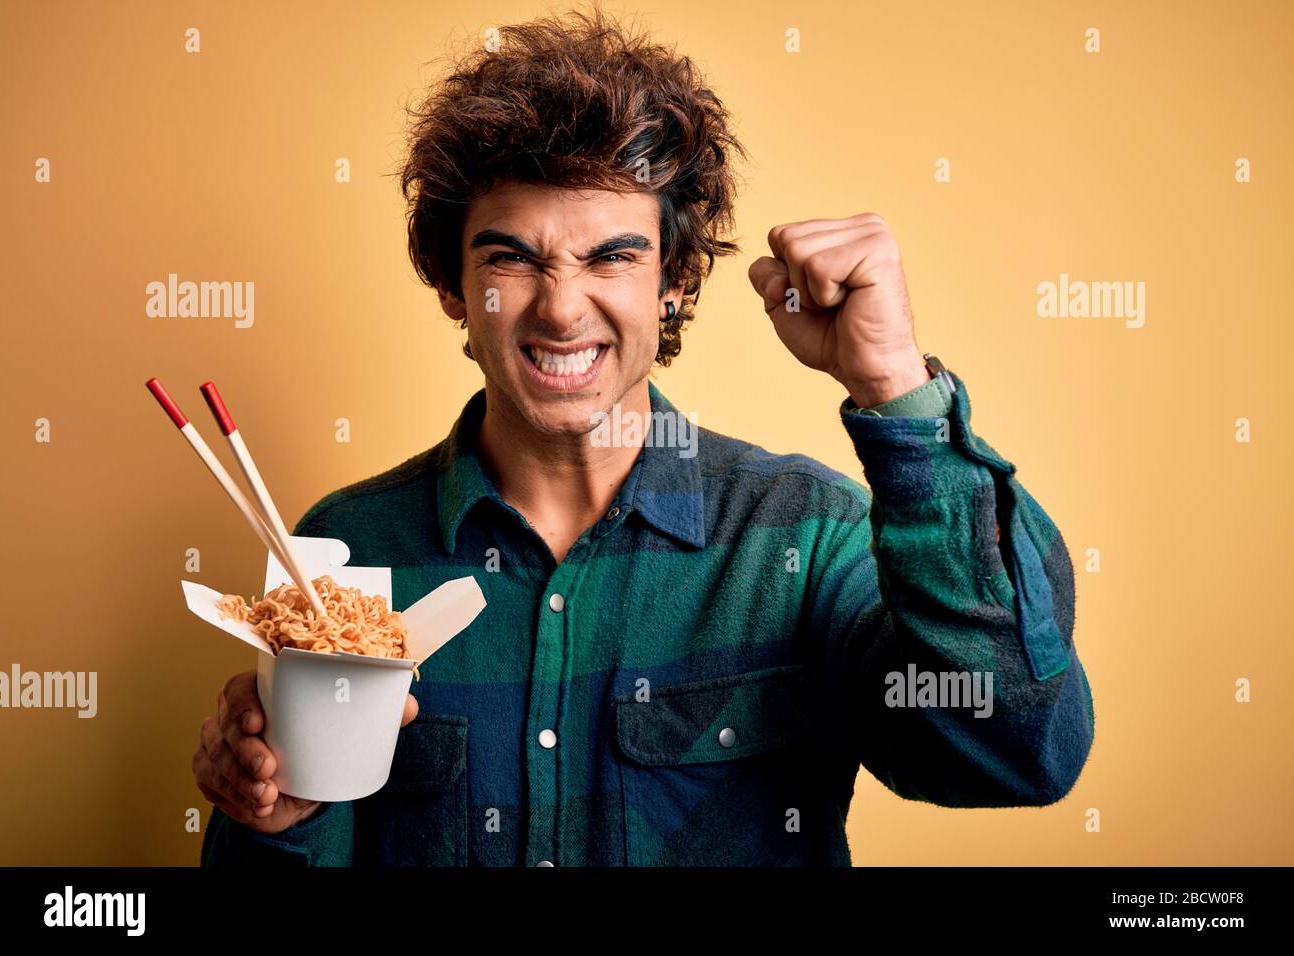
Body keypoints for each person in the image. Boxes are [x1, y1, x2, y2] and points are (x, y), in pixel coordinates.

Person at [194, 5, 1094, 867]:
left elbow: (1019, 750)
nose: (559, 306)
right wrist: (278, 820)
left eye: (612, 255)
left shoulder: (809, 538)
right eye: (512, 257)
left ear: (674, 280)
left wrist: (894, 384)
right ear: (453, 287)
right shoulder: (343, 562)